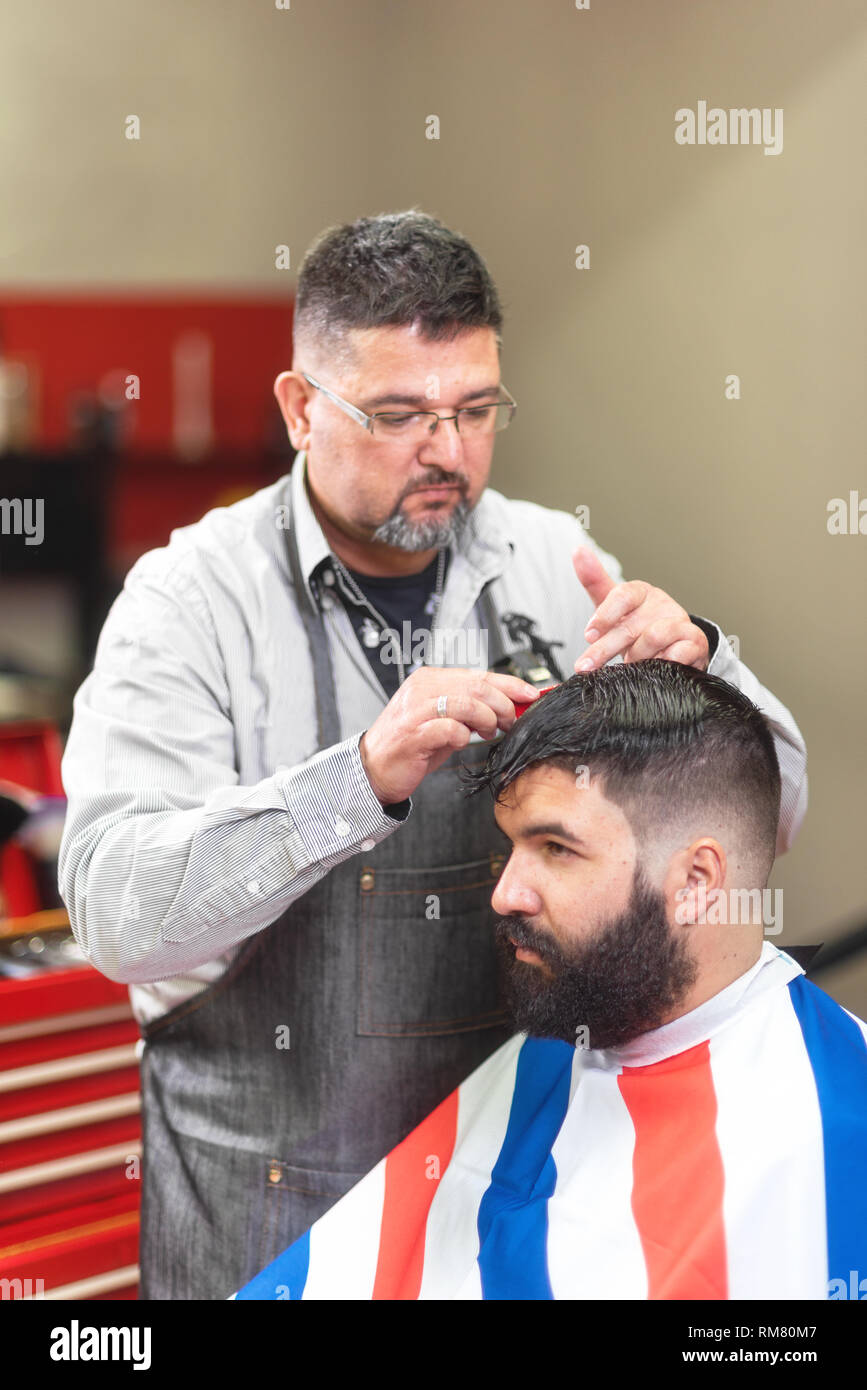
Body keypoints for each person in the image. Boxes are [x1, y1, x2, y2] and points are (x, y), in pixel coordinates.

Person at [58, 211, 808, 1301]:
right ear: (301, 406)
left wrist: (707, 662)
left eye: (475, 410)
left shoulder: (552, 563)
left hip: (494, 1214)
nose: (450, 452)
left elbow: (761, 825)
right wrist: (354, 781)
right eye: (402, 413)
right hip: (270, 1225)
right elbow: (115, 915)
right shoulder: (188, 604)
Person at [232, 662, 866, 1302]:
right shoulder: (565, 1029)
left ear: (696, 881)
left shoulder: (830, 1130)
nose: (505, 894)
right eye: (512, 847)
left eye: (557, 849)